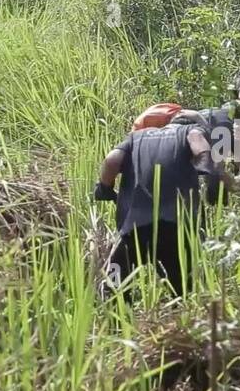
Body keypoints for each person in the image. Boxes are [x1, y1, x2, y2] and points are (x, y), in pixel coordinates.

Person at [94, 115, 220, 298]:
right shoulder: (192, 131)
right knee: (182, 293)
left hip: (134, 229)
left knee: (113, 288)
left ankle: (118, 325)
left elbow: (111, 160)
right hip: (177, 228)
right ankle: (179, 320)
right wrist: (210, 175)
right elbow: (201, 149)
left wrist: (105, 187)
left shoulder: (136, 137)